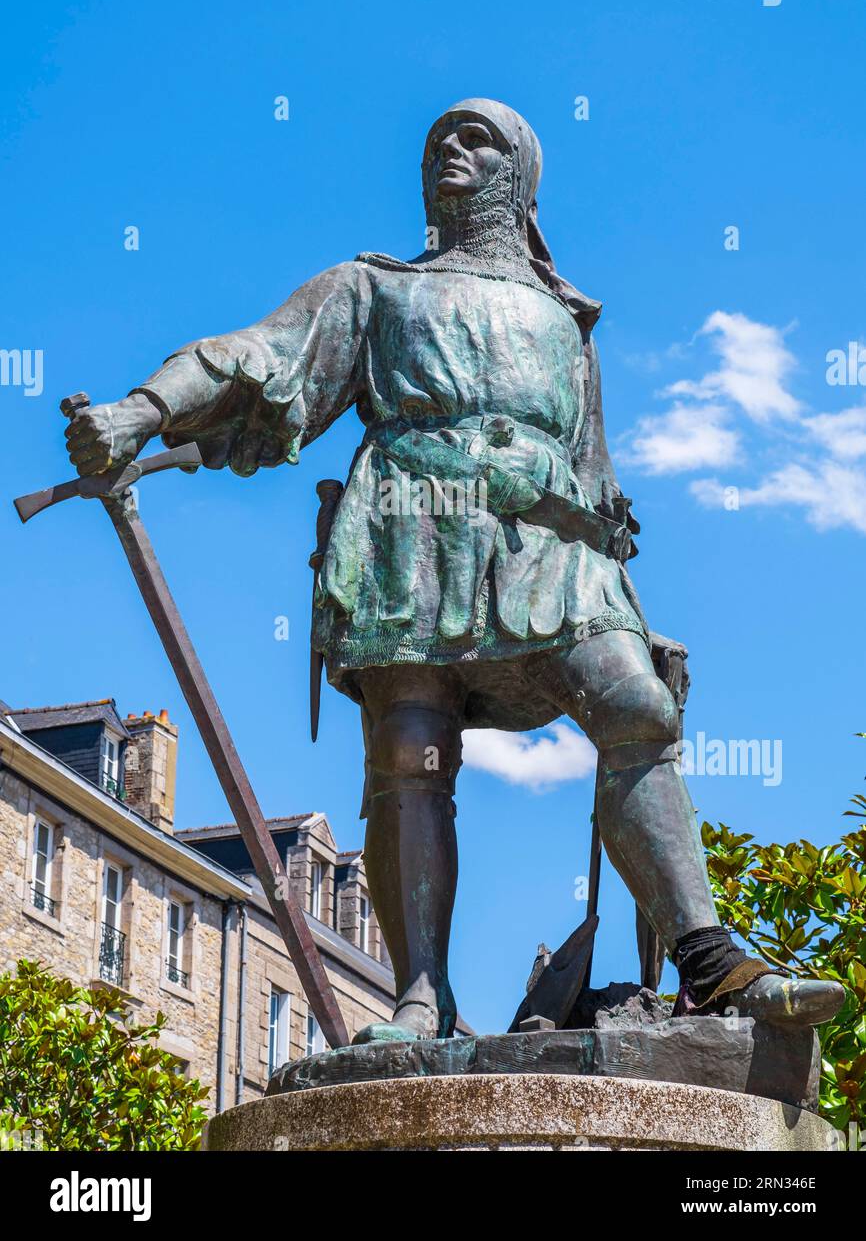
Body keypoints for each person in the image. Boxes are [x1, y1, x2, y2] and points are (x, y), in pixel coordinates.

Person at [66, 99, 843, 1041]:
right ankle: (420, 996)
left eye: (479, 140)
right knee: (411, 751)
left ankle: (710, 961)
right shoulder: (377, 287)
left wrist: (632, 604)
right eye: (440, 142)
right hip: (409, 534)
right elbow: (253, 361)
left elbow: (597, 479)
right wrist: (141, 410)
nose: (451, 151)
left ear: (521, 175)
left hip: (547, 545)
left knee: (637, 705)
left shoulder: (567, 318)